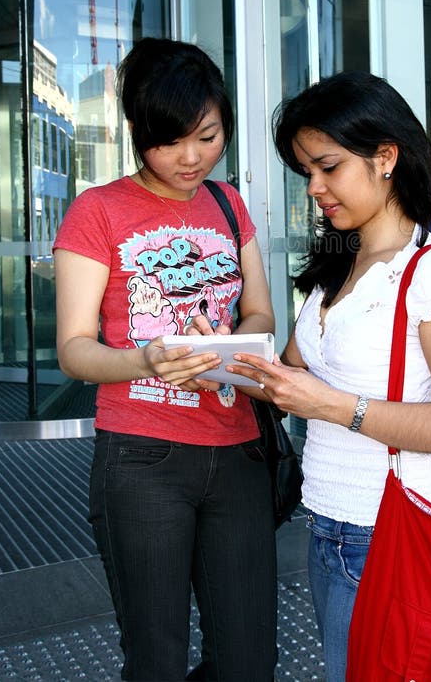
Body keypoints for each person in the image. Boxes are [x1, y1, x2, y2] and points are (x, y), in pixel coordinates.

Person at [226, 72, 431, 682]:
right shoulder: (337, 265)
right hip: (327, 525)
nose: (314, 187)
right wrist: (214, 360)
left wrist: (330, 405)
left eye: (328, 167)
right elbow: (291, 378)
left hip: (395, 533)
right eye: (306, 172)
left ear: (386, 158)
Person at [53, 38, 277, 682]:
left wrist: (227, 346)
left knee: (248, 658)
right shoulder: (98, 210)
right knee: (157, 658)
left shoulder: (228, 204)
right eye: (169, 141)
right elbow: (74, 349)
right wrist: (148, 362)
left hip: (238, 451)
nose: (190, 157)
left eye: (207, 136)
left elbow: (260, 314)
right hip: (142, 457)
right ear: (136, 131)